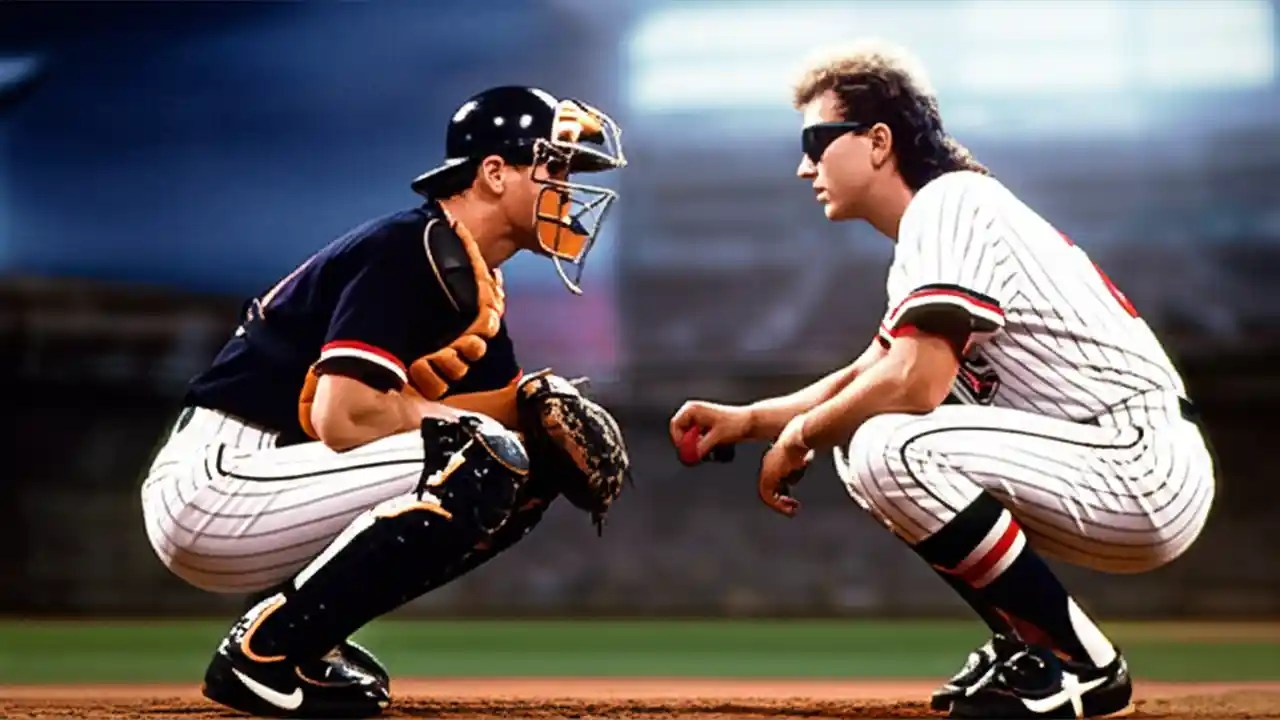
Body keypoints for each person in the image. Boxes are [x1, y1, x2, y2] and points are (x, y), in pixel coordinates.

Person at [670, 40, 1216, 719]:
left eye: (816, 141)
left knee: (883, 445)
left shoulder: (950, 203)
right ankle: (1029, 648)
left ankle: (1081, 665)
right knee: (866, 440)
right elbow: (870, 373)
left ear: (878, 141)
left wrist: (801, 436)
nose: (804, 165)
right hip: (1107, 457)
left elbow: (914, 383)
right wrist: (752, 421)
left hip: (1138, 458)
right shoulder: (937, 225)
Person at [140, 85, 630, 718]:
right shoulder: (410, 251)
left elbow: (482, 416)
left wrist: (534, 403)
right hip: (218, 482)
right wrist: (478, 422)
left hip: (276, 481)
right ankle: (264, 652)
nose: (566, 189)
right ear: (494, 172)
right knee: (484, 457)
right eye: (554, 169)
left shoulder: (466, 271)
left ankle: (307, 634)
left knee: (524, 463)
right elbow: (342, 416)